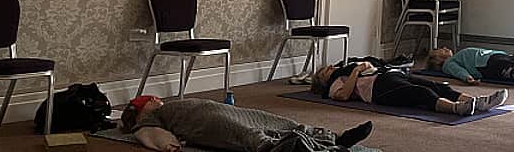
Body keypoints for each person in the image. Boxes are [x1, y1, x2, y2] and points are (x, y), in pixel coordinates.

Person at [119, 95, 373, 152]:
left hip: (222, 109)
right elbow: (146, 132)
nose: (155, 98)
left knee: (278, 122)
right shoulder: (149, 118)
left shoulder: (168, 104)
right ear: (140, 110)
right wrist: (166, 143)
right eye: (148, 100)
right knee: (248, 134)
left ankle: (332, 138)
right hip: (204, 120)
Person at [312, 60, 508, 116]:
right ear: (324, 81)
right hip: (377, 89)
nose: (330, 68)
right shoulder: (334, 84)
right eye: (324, 71)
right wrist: (355, 72)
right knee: (419, 94)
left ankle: (478, 102)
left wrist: (365, 66)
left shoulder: (344, 68)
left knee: (434, 85)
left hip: (386, 75)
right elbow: (343, 96)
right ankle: (455, 108)